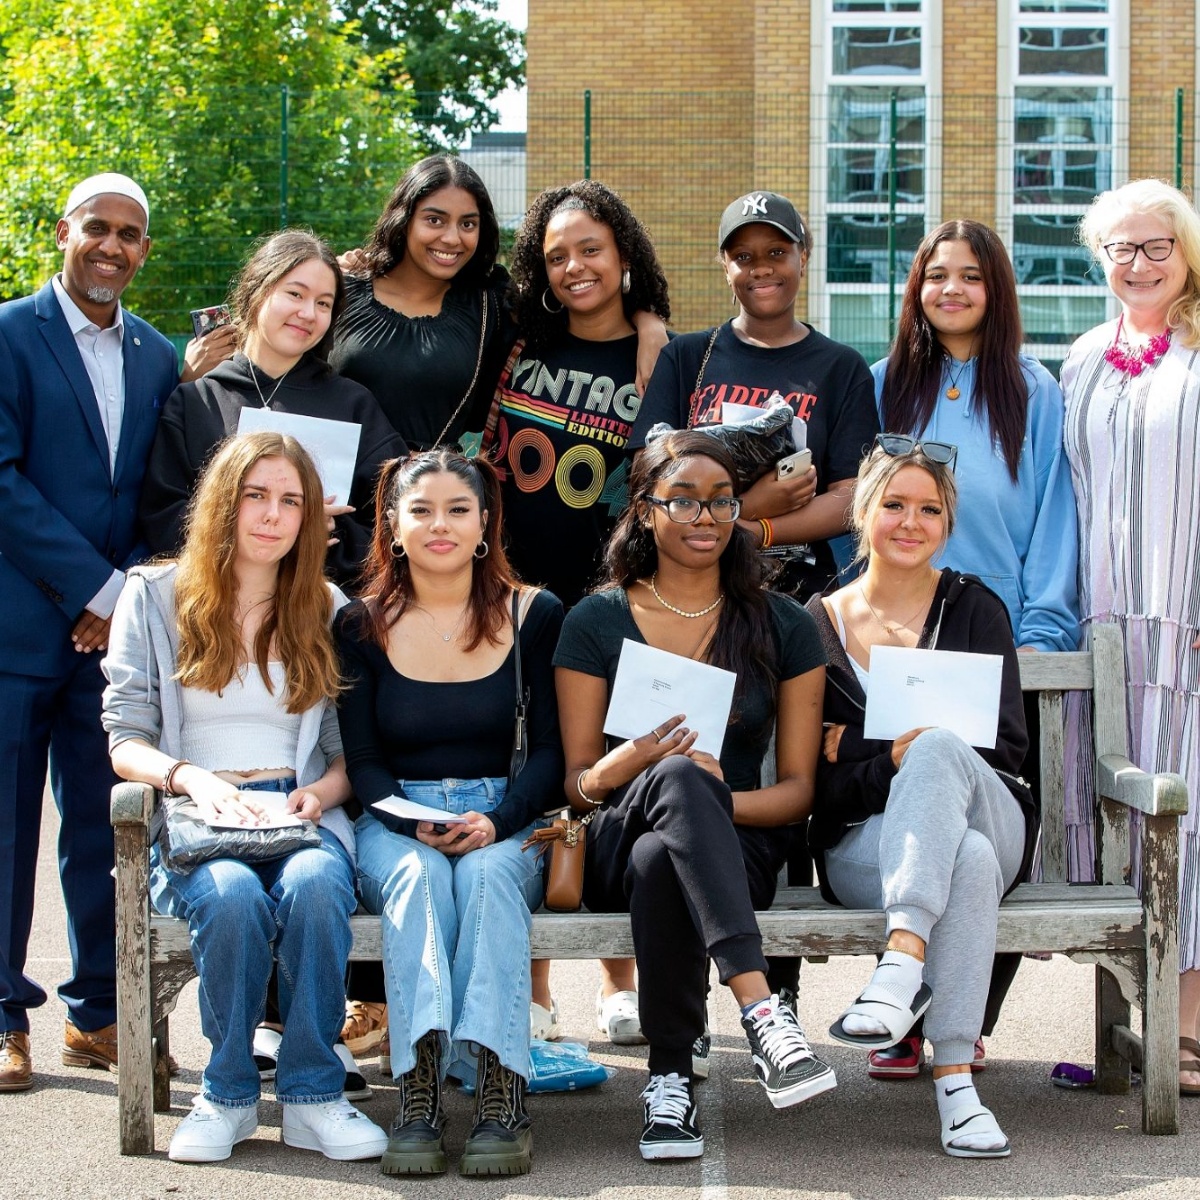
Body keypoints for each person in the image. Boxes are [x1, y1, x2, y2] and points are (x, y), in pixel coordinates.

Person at [101, 431, 388, 1163]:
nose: (271, 514)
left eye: (291, 501)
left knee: (320, 883)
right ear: (222, 502)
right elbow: (124, 738)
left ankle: (312, 1094)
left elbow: (343, 755)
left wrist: (318, 797)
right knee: (229, 896)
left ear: (311, 519)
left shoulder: (326, 608)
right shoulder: (152, 596)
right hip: (195, 813)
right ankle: (225, 1094)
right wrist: (188, 778)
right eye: (255, 495)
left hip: (293, 811)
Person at [554, 429, 831, 1162]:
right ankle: (761, 1011)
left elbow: (798, 794)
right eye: (683, 500)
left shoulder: (782, 624)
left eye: (720, 501)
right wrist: (633, 761)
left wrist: (713, 798)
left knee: (663, 855)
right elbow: (577, 787)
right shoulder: (596, 621)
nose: (705, 516)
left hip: (737, 846)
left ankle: (670, 1079)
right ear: (645, 510)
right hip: (612, 832)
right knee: (668, 787)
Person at [869, 218, 1079, 1078]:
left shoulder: (1034, 391)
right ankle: (913, 1009)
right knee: (915, 820)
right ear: (915, 288)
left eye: (970, 277)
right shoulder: (884, 386)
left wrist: (1040, 636)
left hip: (998, 640)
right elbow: (876, 514)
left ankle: (953, 1020)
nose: (950, 290)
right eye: (935, 276)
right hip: (905, 644)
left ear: (997, 291)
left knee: (994, 841)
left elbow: (1052, 519)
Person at [336, 449, 564, 1177]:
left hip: (509, 810)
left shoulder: (535, 614)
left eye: (458, 510)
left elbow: (555, 754)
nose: (441, 525)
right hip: (395, 817)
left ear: (485, 524)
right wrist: (413, 825)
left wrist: (499, 819)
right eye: (422, 510)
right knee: (420, 881)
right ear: (393, 527)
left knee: (491, 879)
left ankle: (502, 1093)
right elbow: (364, 763)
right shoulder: (359, 625)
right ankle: (419, 1094)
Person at [807, 438, 1036, 1158]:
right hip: (864, 847)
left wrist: (866, 746)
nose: (911, 522)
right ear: (865, 512)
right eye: (895, 505)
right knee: (959, 857)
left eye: (929, 509)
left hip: (991, 811)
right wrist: (889, 762)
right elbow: (817, 781)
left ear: (947, 523)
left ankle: (901, 960)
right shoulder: (816, 625)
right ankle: (958, 1089)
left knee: (942, 751)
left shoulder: (976, 610)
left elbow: (1002, 750)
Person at [481, 179, 671, 1044]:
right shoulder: (518, 343)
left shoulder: (669, 354)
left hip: (614, 604)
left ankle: (620, 979)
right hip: (513, 597)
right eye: (556, 255)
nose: (573, 267)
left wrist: (656, 334)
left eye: (590, 248)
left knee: (605, 775)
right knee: (527, 775)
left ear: (624, 253)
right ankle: (532, 986)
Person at [0, 173, 178, 1092]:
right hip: (19, 629)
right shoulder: (7, 333)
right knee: (4, 828)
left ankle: (101, 1014)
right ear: (63, 232)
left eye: (131, 235)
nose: (112, 247)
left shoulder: (157, 354)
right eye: (97, 229)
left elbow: (156, 489)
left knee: (103, 833)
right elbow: (3, 481)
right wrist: (95, 587)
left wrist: (124, 597)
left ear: (145, 249)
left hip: (108, 642)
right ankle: (2, 1017)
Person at [1061, 179, 1200, 1094]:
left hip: (1186, 626)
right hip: (1105, 634)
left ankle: (1185, 1028)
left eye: (1157, 245)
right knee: (1116, 822)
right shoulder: (1081, 358)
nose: (1139, 263)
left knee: (1188, 822)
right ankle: (1123, 1025)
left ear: (1187, 251)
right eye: (1121, 247)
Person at [631, 189, 879, 601]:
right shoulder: (687, 356)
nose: (761, 268)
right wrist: (747, 507)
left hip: (797, 594)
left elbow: (851, 496)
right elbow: (646, 471)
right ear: (725, 268)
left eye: (777, 252)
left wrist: (759, 530)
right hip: (693, 584)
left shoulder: (841, 368)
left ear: (804, 256)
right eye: (743, 257)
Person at [331, 155, 668, 456]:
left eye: (468, 224)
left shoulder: (489, 304)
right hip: (328, 501)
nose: (451, 238)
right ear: (404, 220)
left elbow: (579, 297)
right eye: (434, 220)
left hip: (423, 506)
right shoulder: (340, 290)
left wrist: (648, 321)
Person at [139, 229, 407, 588]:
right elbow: (162, 516)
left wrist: (328, 533)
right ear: (257, 291)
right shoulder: (196, 401)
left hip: (322, 616)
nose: (308, 313)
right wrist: (248, 526)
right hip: (214, 610)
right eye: (295, 294)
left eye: (324, 303)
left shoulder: (352, 404)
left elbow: (396, 517)